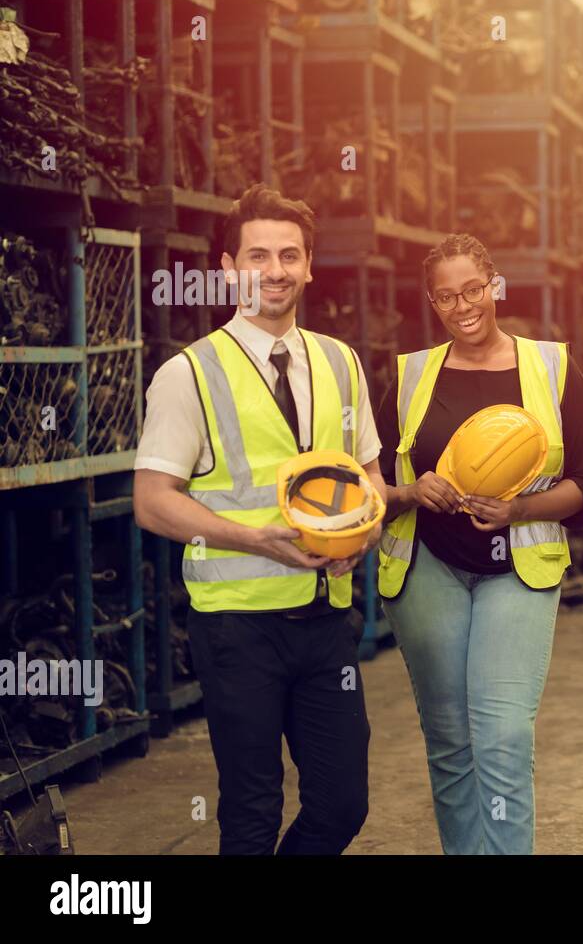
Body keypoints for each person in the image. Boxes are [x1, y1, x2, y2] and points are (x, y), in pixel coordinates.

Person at [133, 183, 381, 854]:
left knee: (342, 803)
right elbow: (153, 500)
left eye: (290, 255)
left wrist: (367, 528)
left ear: (308, 266)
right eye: (258, 255)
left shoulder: (341, 363)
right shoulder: (189, 373)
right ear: (227, 267)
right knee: (251, 809)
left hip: (328, 620)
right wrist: (254, 540)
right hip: (236, 626)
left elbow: (371, 478)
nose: (274, 270)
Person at [376, 233, 583, 855]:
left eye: (473, 289)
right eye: (446, 297)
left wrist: (517, 508)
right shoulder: (409, 374)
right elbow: (376, 482)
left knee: (501, 736)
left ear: (494, 285)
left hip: (517, 570)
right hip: (428, 571)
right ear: (432, 302)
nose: (463, 306)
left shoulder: (553, 368)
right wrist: (414, 488)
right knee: (450, 743)